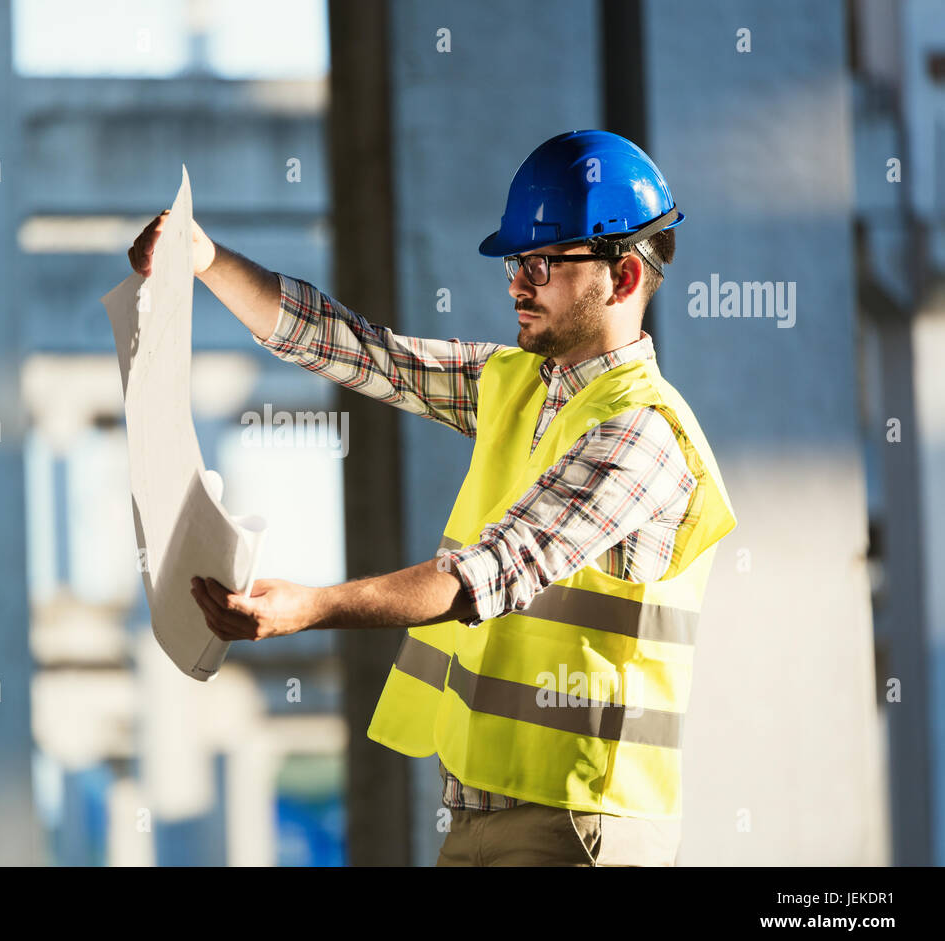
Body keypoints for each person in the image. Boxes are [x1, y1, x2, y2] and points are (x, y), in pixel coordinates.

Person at [127, 130, 737, 866]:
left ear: (625, 277)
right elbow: (355, 350)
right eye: (517, 262)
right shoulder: (517, 385)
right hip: (478, 809)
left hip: (580, 824)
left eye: (541, 263)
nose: (518, 283)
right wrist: (207, 260)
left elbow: (490, 571)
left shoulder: (641, 434)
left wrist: (310, 608)